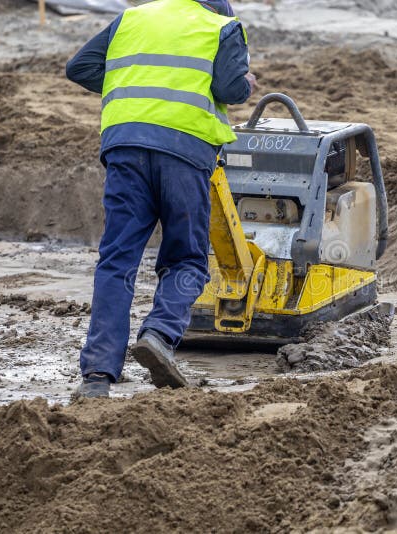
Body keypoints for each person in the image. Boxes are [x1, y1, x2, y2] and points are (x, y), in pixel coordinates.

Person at [66, 0, 256, 398]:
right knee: (186, 258)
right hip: (184, 152)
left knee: (116, 259)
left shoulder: (132, 17)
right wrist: (247, 83)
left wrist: (131, 84)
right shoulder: (221, 26)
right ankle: (159, 334)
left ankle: (97, 376)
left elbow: (79, 67)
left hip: (125, 145)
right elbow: (230, 89)